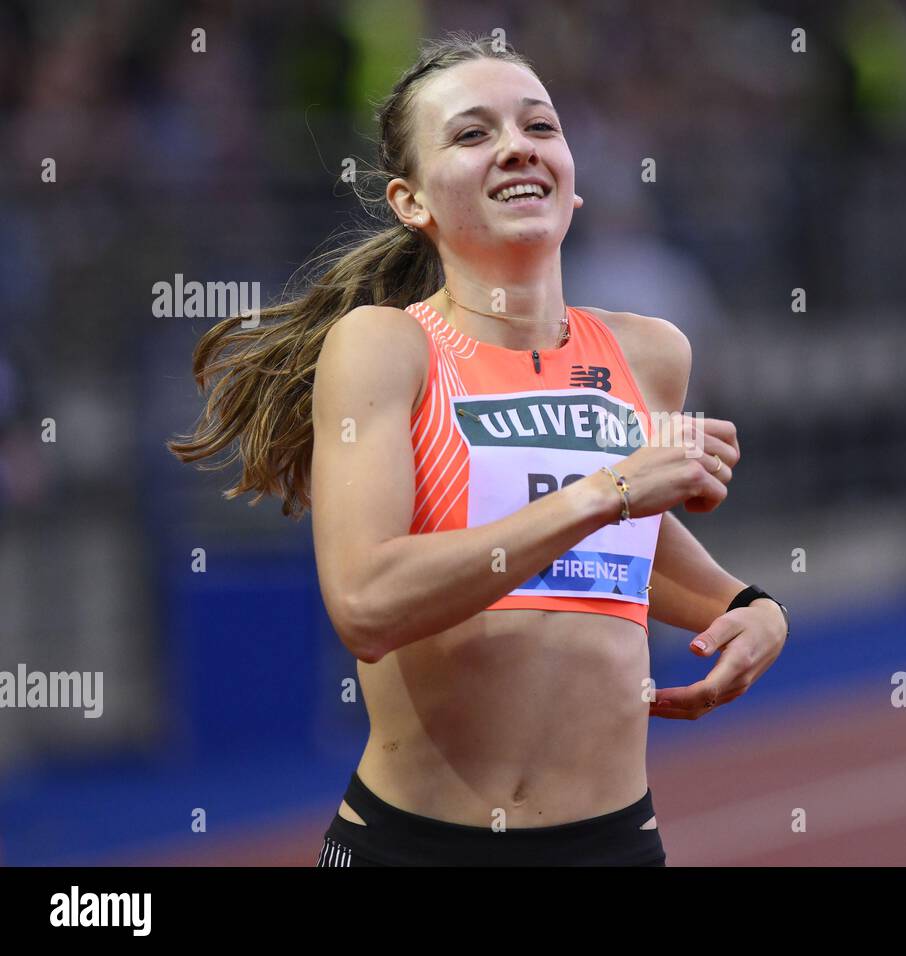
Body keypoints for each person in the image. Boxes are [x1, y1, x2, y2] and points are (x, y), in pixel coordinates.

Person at [167, 31, 789, 866]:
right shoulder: (387, 348)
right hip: (420, 847)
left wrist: (747, 607)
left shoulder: (651, 354)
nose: (515, 149)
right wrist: (609, 487)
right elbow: (366, 602)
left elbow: (621, 541)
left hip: (613, 843)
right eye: (471, 134)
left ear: (573, 185)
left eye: (540, 127)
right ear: (411, 202)